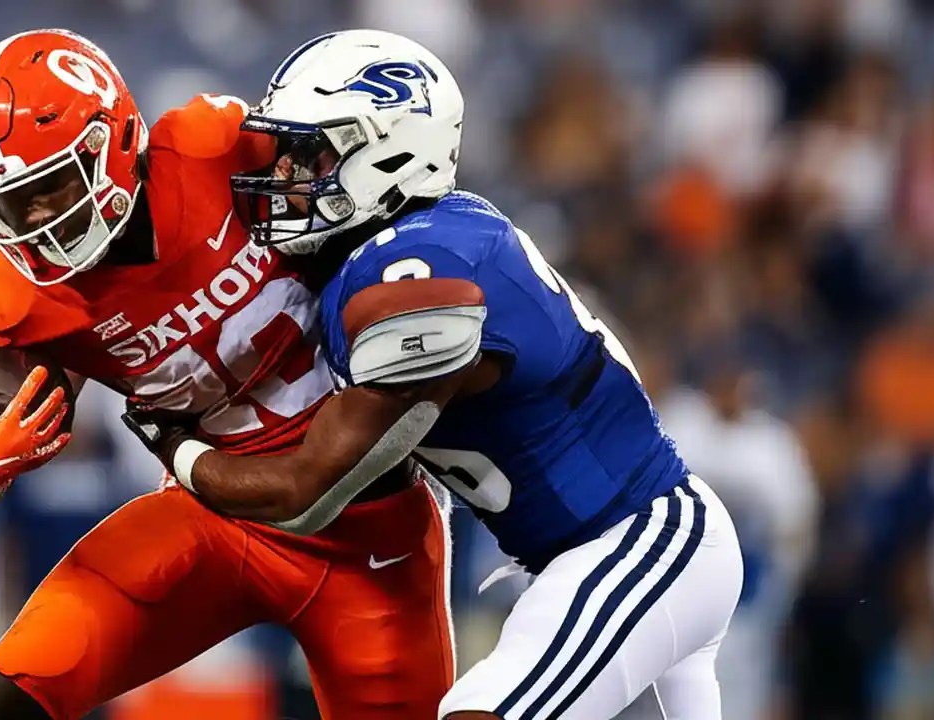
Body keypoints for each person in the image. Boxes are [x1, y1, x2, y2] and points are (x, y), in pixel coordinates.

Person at [130, 30, 744, 720]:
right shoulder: (396, 248)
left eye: (311, 154)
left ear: (388, 148)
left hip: (638, 540)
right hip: (609, 552)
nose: (284, 177)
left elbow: (305, 489)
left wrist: (174, 444)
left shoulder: (418, 270)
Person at [0, 29, 453, 720]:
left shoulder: (219, 152)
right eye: (8, 204)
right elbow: (1, 390)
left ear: (112, 142)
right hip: (214, 516)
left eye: (50, 188)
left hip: (366, 525)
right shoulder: (25, 295)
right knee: (19, 691)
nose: (32, 223)